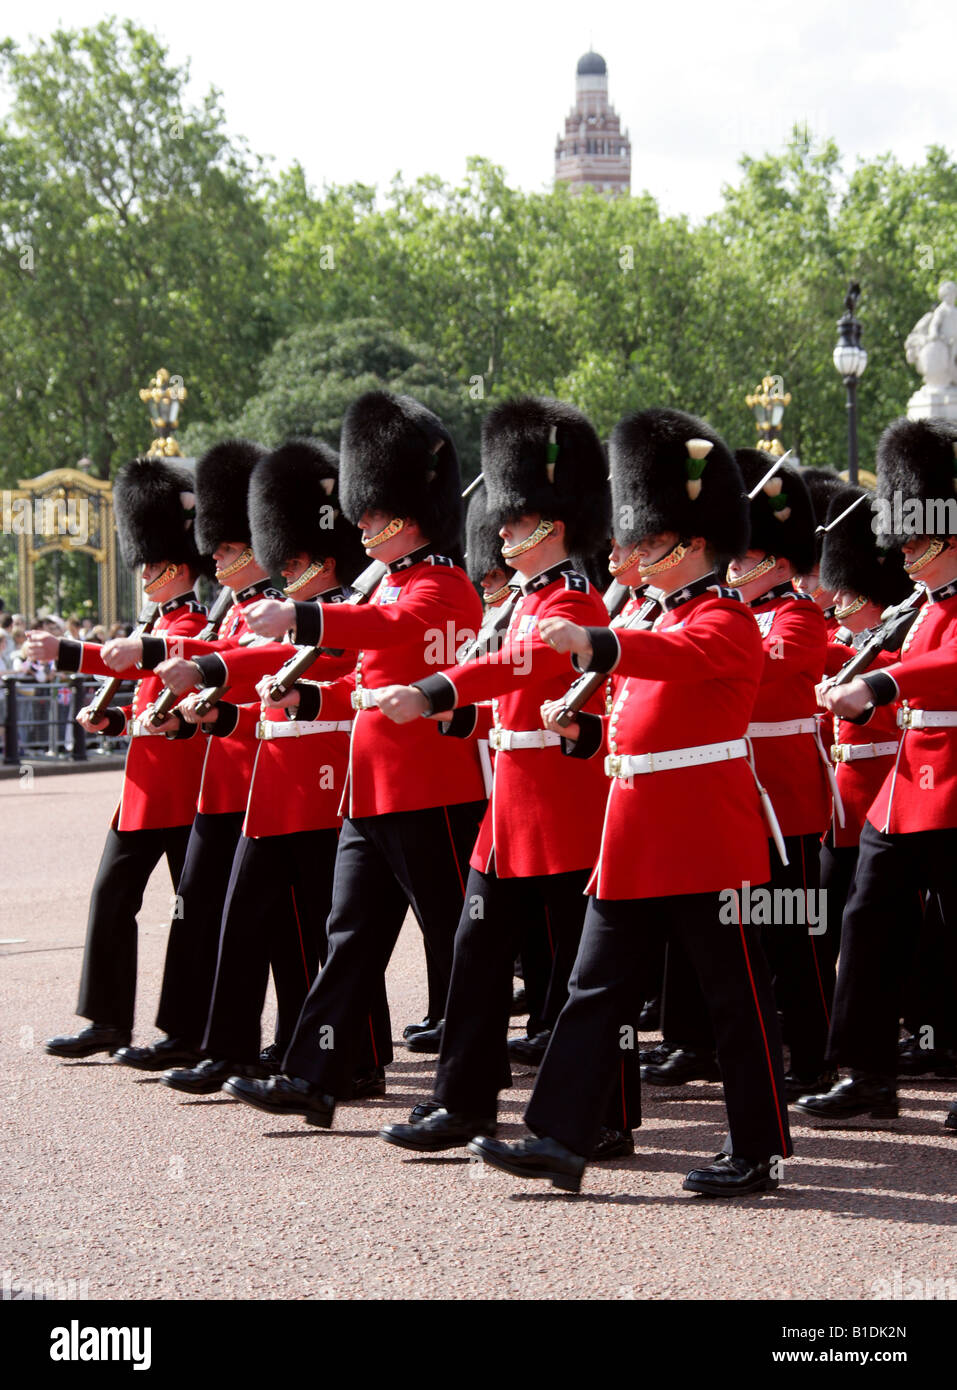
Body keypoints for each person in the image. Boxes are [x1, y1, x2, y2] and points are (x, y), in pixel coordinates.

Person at [466, 406, 792, 1196]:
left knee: (734, 1003)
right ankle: (558, 1138)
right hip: (633, 835)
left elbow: (673, 658)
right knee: (592, 990)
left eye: (649, 542)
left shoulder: (726, 621)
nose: (636, 553)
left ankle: (759, 1149)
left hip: (706, 838)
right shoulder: (646, 610)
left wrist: (598, 644)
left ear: (692, 542)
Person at [375, 397, 639, 1160]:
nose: (499, 531)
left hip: (560, 807)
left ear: (549, 524)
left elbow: (508, 672)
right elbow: (504, 696)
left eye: (514, 522)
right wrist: (446, 712)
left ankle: (609, 1112)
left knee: (579, 976)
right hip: (513, 807)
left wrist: (434, 690)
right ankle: (462, 1101)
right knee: (477, 955)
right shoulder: (524, 601)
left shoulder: (575, 602)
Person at [224, 391, 487, 1127]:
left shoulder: (440, 584)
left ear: (411, 511)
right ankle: (314, 1075)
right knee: (349, 941)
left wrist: (303, 613)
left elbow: (384, 627)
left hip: (430, 789)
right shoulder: (396, 578)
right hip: (370, 794)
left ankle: (467, 1091)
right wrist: (302, 692)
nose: (361, 522)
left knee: (458, 943)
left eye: (373, 512)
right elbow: (356, 674)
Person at [159, 438, 389, 1096]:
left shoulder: (347, 612)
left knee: (323, 932)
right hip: (274, 786)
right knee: (248, 921)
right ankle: (234, 1048)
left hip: (321, 786)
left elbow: (303, 681)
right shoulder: (300, 614)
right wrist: (220, 706)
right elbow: (266, 680)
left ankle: (359, 1057)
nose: (281, 574)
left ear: (319, 560)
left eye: (291, 562)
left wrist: (213, 667)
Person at [795, 416, 957, 1132]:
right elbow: (907, 668)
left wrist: (882, 687)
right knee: (866, 921)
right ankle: (865, 1072)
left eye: (918, 543)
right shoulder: (918, 608)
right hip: (908, 788)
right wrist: (852, 686)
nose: (907, 554)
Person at [106, 439, 287, 1072]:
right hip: (221, 783)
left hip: (262, 784)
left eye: (230, 546)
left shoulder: (271, 615)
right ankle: (197, 1036)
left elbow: (242, 673)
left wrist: (198, 681)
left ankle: (309, 1049)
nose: (216, 556)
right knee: (203, 916)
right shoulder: (231, 613)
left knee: (283, 930)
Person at [30, 456, 213, 1057]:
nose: (144, 575)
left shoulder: (195, 624)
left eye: (153, 565)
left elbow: (146, 661)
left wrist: (67, 652)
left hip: (189, 792)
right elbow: (145, 696)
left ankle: (191, 1031)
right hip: (145, 793)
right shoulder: (160, 620)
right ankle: (107, 1019)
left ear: (179, 567)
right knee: (111, 900)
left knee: (193, 914)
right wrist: (111, 719)